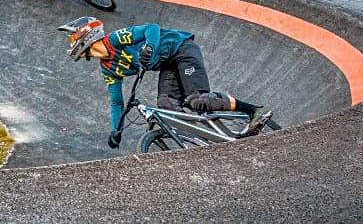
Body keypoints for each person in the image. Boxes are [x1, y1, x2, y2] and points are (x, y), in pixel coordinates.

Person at [58, 16, 272, 148]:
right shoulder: (108, 68)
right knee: (167, 106)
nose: (71, 43)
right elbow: (116, 103)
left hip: (182, 49)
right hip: (168, 66)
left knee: (198, 101)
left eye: (72, 38)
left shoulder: (115, 39)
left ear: (85, 36)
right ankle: (202, 139)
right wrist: (117, 131)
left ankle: (255, 111)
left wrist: (150, 46)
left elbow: (152, 28)